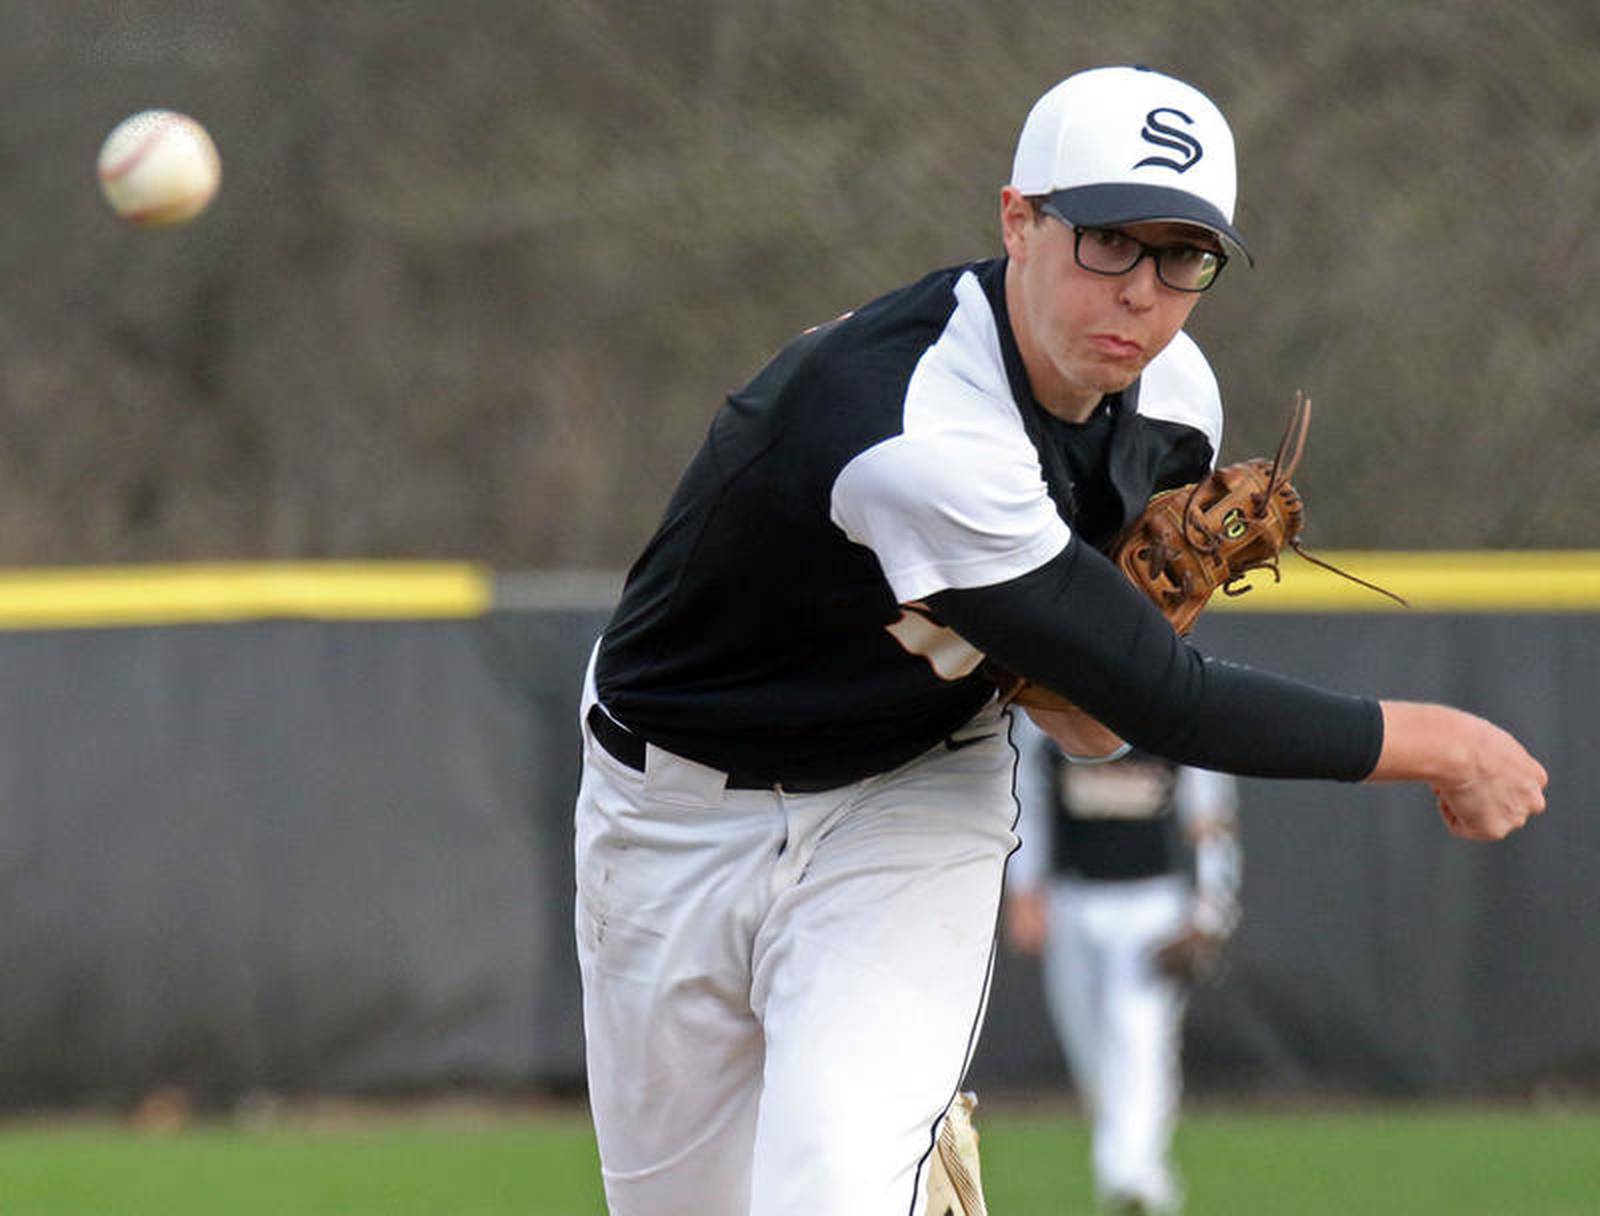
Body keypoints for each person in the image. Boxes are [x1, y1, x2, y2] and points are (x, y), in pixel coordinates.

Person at [572, 64, 1546, 1216]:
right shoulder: (910, 419)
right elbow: (1163, 701)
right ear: (1018, 220)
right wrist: (1443, 740)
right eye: (1107, 240)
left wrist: (1093, 670)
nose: (1142, 290)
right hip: (671, 810)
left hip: (904, 802)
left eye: (1182, 255)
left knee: (825, 1193)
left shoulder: (1174, 405)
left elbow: (1090, 721)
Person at [1006, 714, 1242, 1216]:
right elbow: (1025, 795)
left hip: (1152, 904)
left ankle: (1134, 1177)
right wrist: (1025, 887)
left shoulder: (1165, 700)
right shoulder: (1049, 708)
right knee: (1089, 1047)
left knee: (1140, 1036)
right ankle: (1132, 1167)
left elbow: (1210, 816)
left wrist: (1212, 909)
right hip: (1073, 897)